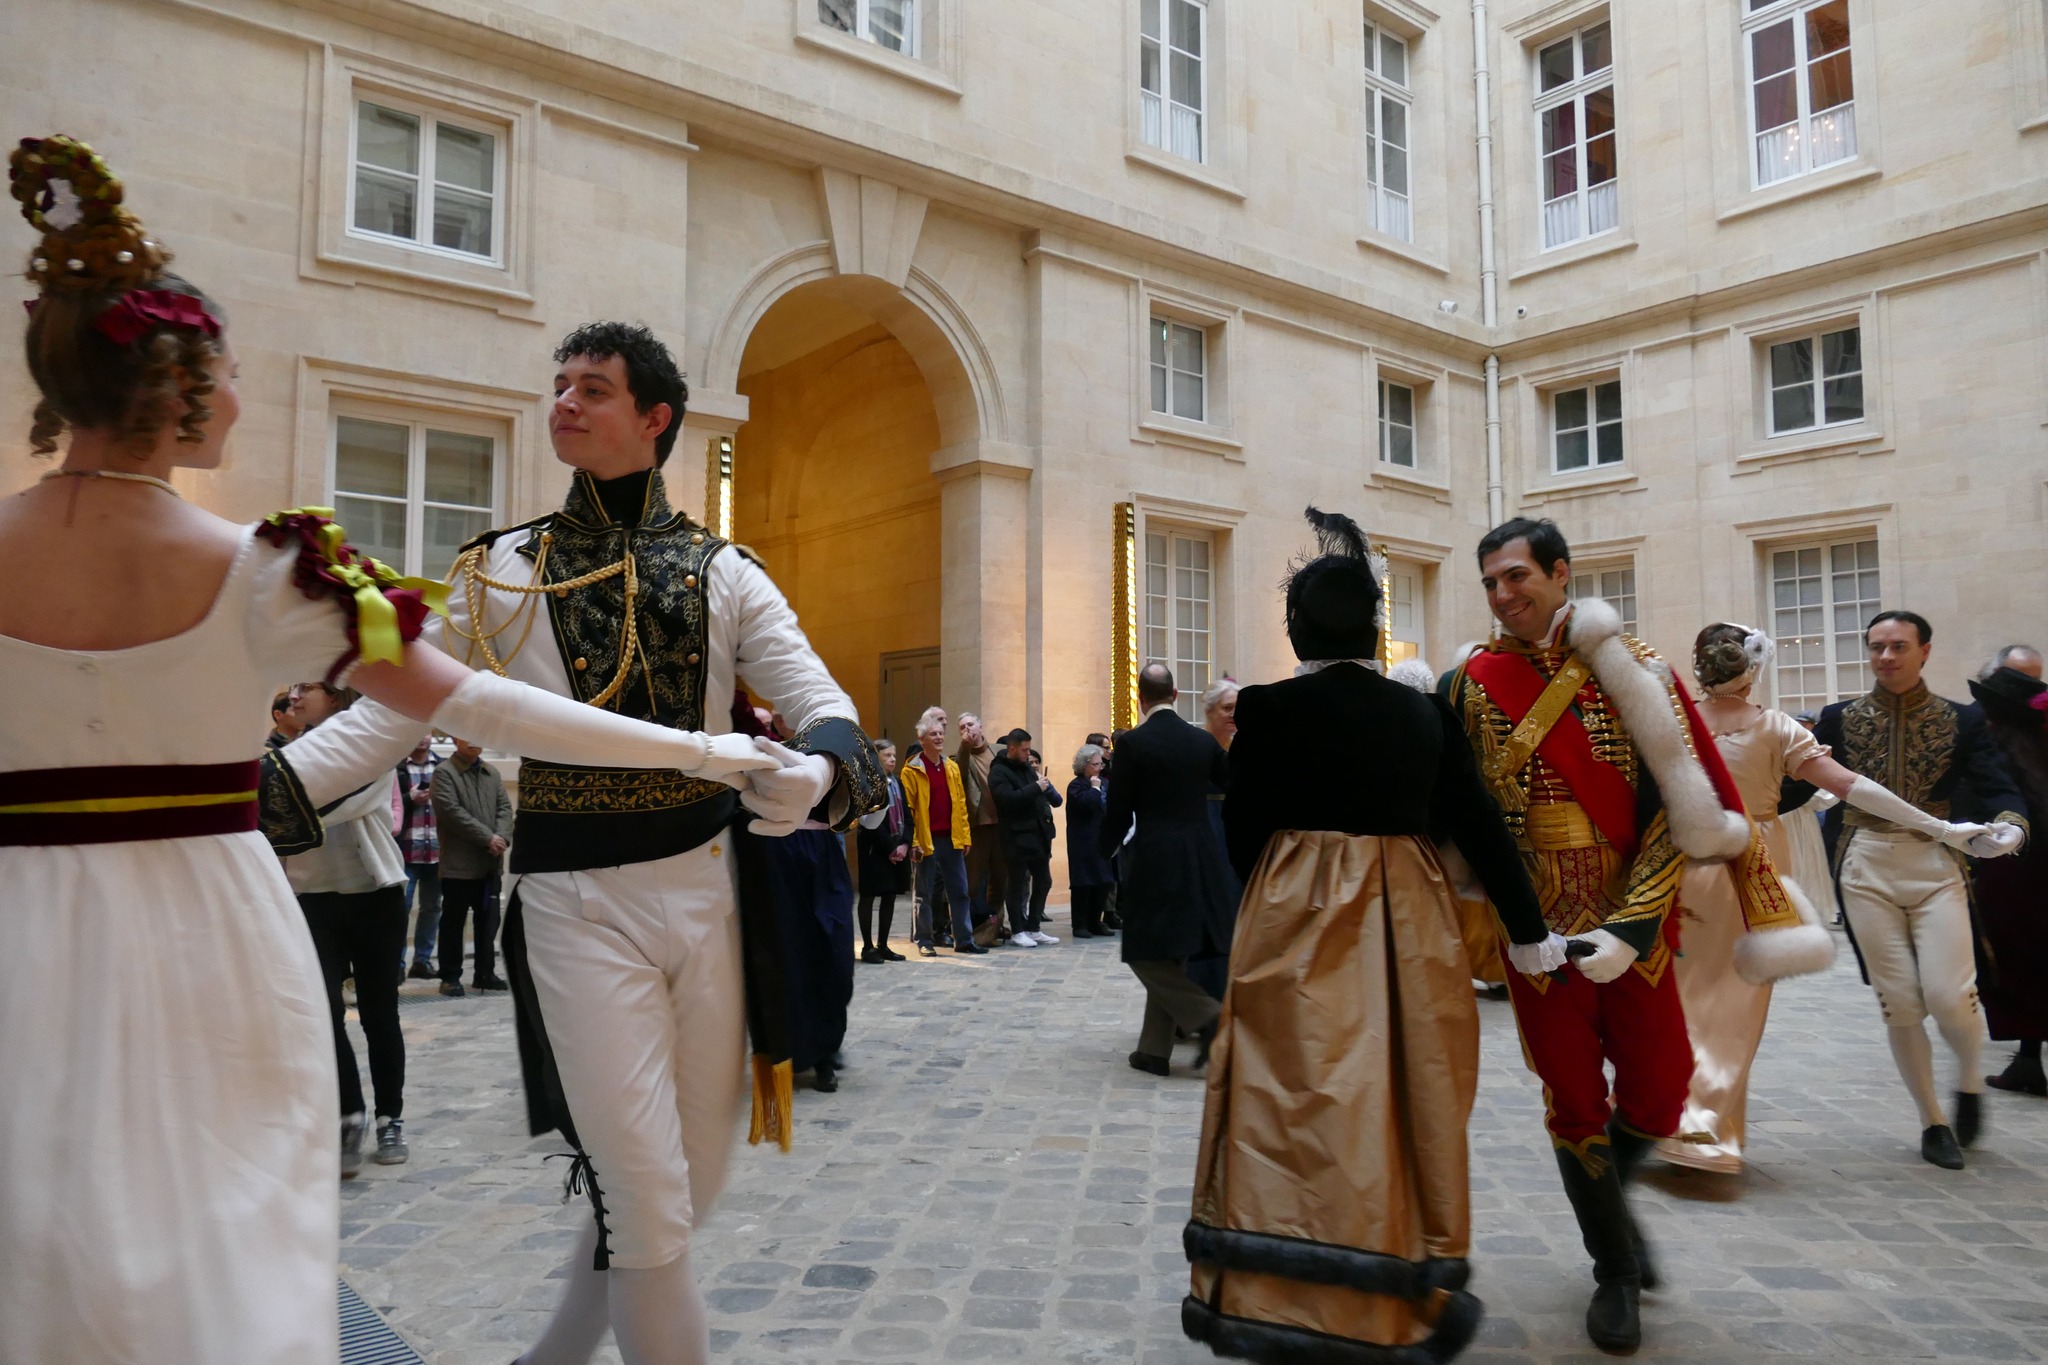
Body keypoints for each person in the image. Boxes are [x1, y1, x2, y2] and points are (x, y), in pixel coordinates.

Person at [0, 135, 778, 1365]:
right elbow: (482, 710)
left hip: (20, 924)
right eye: (236, 372)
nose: (244, 394)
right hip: (208, 918)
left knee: (34, 1219)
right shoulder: (266, 567)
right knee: (223, 1213)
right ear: (183, 388)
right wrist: (706, 754)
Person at [269, 321, 884, 1365]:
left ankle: (550, 1357)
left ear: (654, 420)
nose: (564, 402)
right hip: (570, 898)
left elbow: (822, 703)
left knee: (685, 1184)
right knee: (645, 1202)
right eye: (559, 385)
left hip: (707, 894)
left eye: (591, 389)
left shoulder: (725, 571)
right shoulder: (496, 570)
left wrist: (820, 773)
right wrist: (254, 794)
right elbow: (388, 719)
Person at [1186, 508, 1562, 1364]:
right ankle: (1400, 1281)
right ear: (1373, 626)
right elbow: (1477, 822)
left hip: (1295, 913)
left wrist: (1270, 891)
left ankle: (1284, 1287)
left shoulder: (1267, 710)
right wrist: (1529, 930)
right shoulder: (1425, 712)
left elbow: (1242, 827)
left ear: (1298, 630)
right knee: (1402, 1096)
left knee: (1292, 1097)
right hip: (1407, 914)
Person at [1445, 517, 1757, 1353]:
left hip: (1633, 929)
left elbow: (1678, 809)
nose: (1504, 595)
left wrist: (1633, 921)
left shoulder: (1639, 669)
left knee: (1661, 1090)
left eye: (1517, 577)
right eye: (1490, 583)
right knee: (1574, 1100)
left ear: (1560, 571)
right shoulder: (1469, 684)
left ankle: (1607, 1209)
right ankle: (1614, 1266)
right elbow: (1463, 813)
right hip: (1535, 933)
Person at [1659, 623, 1968, 1175]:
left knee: (1681, 1000)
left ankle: (1663, 1116)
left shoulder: (1677, 726)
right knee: (1735, 1006)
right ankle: (1701, 1129)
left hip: (1683, 866)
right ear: (1752, 669)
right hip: (1750, 869)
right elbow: (1852, 786)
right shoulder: (1775, 728)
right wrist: (1939, 828)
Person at [1816, 612, 2028, 1169]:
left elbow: (1998, 785)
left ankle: (1968, 1083)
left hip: (1936, 866)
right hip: (1864, 866)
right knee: (1900, 1002)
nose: (1886, 656)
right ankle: (1933, 1120)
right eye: (1877, 646)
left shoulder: (1963, 720)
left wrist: (2011, 825)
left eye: (1899, 646)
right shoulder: (1837, 719)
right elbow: (1793, 783)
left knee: (1950, 996)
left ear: (1925, 651)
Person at [281, 681, 412, 1174]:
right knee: (325, 1014)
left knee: (381, 1016)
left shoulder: (368, 753)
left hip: (376, 898)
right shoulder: (290, 757)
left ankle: (390, 1118)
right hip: (314, 902)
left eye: (305, 688)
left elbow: (321, 805)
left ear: (337, 695)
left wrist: (276, 802)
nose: (293, 697)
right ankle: (349, 1114)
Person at [1098, 663, 1235, 1077]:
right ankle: (1153, 1051)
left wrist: (1102, 851)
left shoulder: (1134, 745)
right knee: (1170, 948)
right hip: (1203, 855)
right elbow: (1233, 782)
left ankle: (1208, 1016)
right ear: (1175, 695)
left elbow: (1119, 809)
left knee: (1143, 947)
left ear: (1141, 700)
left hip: (1156, 855)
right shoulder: (1199, 741)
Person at [1972, 648, 2048, 1097]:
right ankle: (2027, 1059)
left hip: (2013, 869)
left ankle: (2027, 1061)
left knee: (2012, 965)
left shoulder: (1998, 742)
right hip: (2031, 867)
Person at [431, 735, 513, 996]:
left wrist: (501, 838)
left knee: (488, 920)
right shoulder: (444, 772)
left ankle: (485, 973)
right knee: (454, 922)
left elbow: (504, 809)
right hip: (459, 864)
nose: (474, 741)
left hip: (490, 863)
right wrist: (487, 838)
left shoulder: (492, 772)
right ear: (455, 739)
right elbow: (451, 812)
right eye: (468, 736)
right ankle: (450, 977)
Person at [902, 706, 979, 957]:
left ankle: (964, 939)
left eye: (940, 734)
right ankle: (924, 939)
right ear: (922, 739)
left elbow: (960, 804)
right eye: (932, 734)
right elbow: (909, 810)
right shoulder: (911, 770)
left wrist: (965, 835)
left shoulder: (951, 767)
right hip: (926, 840)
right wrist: (914, 842)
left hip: (952, 838)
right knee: (923, 893)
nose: (938, 737)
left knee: (959, 891)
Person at [989, 726, 1062, 947]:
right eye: (1024, 750)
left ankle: (1034, 927)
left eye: (1029, 750)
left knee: (1044, 881)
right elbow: (1008, 800)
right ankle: (1018, 930)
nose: (1028, 754)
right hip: (1015, 837)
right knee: (1017, 884)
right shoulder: (998, 772)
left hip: (1037, 835)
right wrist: (1036, 787)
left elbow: (1044, 795)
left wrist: (1043, 787)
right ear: (1012, 748)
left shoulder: (1026, 768)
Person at [856, 738, 913, 963]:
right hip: (874, 847)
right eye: (887, 756)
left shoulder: (896, 783)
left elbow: (908, 817)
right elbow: (868, 821)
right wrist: (891, 847)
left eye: (894, 756)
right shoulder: (867, 784)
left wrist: (905, 844)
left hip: (896, 847)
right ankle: (867, 947)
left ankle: (883, 945)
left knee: (890, 895)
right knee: (869, 896)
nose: (892, 760)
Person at [954, 712, 1009, 938]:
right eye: (962, 727)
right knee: (973, 881)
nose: (967, 729)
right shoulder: (961, 755)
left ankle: (995, 928)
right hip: (978, 825)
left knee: (1000, 879)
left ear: (981, 726)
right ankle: (968, 928)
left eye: (970, 724)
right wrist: (964, 746)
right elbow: (960, 772)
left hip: (1002, 824)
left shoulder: (998, 751)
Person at [397, 736, 442, 978]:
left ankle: (422, 960)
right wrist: (410, 799)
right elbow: (388, 804)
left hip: (436, 850)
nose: (423, 737)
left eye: (427, 731)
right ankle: (398, 964)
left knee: (432, 907)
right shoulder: (397, 766)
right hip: (406, 850)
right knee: (401, 908)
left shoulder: (442, 767)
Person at [1065, 744, 1115, 939]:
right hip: (1083, 842)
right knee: (1083, 884)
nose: (1099, 767)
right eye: (1095, 764)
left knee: (1103, 883)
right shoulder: (1076, 785)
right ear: (1084, 765)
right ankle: (1080, 924)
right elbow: (1086, 805)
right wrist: (1094, 789)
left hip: (1101, 841)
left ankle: (1096, 921)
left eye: (1101, 763)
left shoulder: (1104, 783)